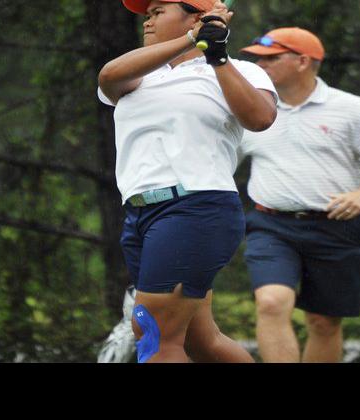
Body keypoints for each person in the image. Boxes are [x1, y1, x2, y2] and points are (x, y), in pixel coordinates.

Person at [97, 0, 277, 363]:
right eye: (147, 15)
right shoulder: (141, 75)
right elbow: (109, 77)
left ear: (194, 15)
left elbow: (260, 118)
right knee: (201, 341)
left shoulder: (239, 71)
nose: (148, 20)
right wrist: (192, 38)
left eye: (158, 11)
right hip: (141, 215)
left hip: (194, 208)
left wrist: (218, 56)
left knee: (155, 334)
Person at [237, 27, 360, 362]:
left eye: (271, 59)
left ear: (303, 61)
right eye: (257, 60)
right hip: (270, 225)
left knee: (323, 322)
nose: (260, 66)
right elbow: (217, 161)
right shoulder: (251, 109)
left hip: (334, 227)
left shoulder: (351, 109)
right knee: (271, 302)